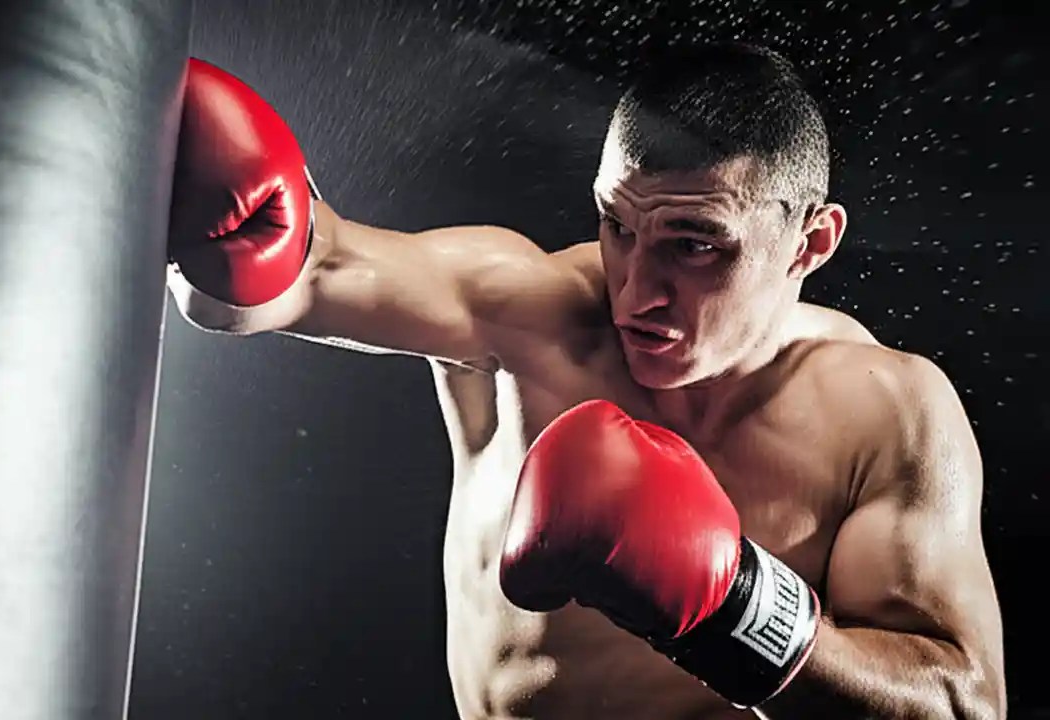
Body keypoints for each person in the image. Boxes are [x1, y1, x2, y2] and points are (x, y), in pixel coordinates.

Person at [166, 42, 1006, 719]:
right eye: (616, 225)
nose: (636, 291)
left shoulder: (886, 414)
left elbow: (961, 702)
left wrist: (733, 610)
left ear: (809, 244)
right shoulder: (527, 311)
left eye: (695, 243)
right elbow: (311, 272)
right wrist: (236, 234)